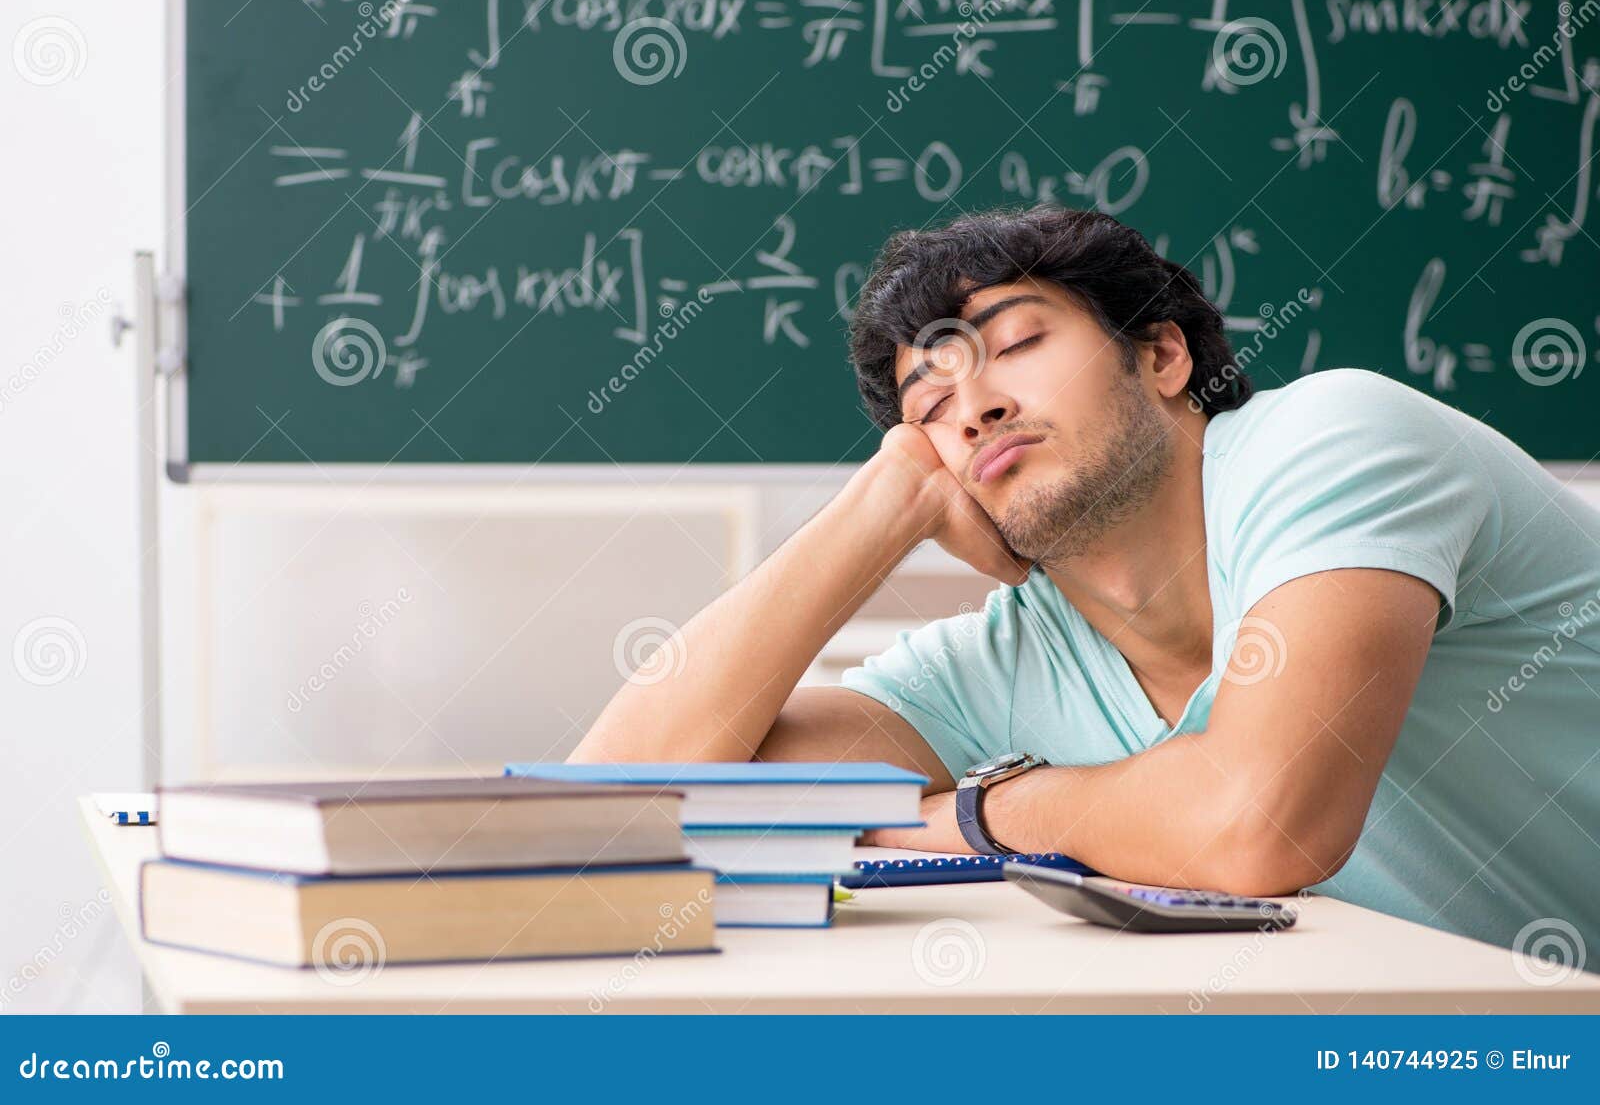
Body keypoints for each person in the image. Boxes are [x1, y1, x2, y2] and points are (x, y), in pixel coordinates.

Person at [573, 206, 1600, 970]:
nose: (971, 406)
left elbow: (1260, 826)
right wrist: (877, 508)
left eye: (1016, 345)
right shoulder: (1010, 650)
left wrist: (976, 815)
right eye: (927, 405)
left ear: (1160, 355)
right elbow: (619, 808)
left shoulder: (1335, 441)